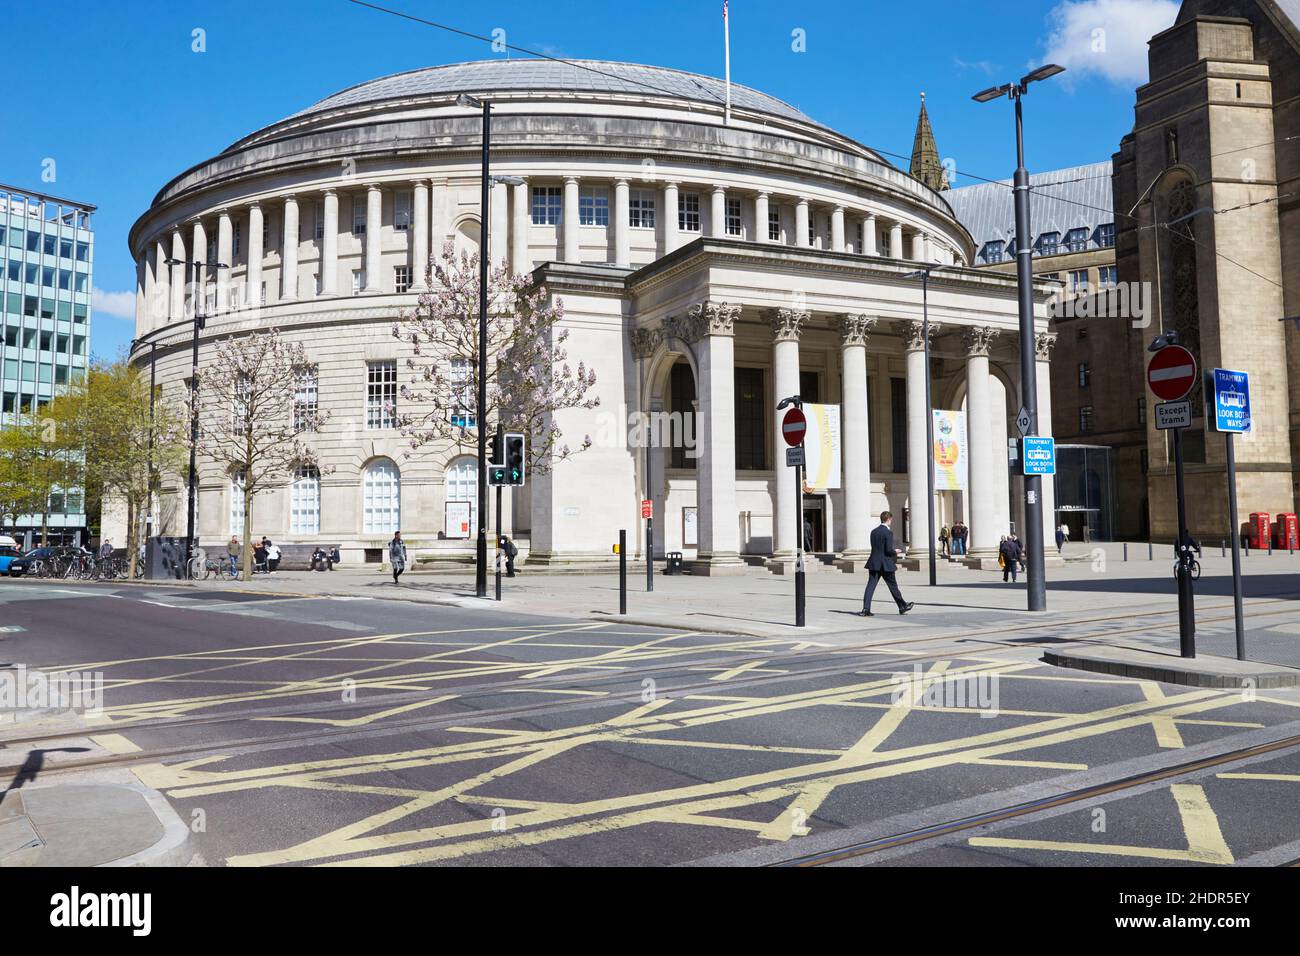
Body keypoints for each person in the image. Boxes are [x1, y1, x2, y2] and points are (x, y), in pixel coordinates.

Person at [856, 511, 914, 617]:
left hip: (874, 563)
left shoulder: (873, 532)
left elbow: (876, 548)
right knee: (893, 586)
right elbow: (888, 550)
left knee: (870, 586)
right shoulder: (888, 533)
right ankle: (902, 606)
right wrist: (895, 551)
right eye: (891, 520)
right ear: (888, 519)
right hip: (886, 564)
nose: (891, 521)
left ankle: (865, 609)